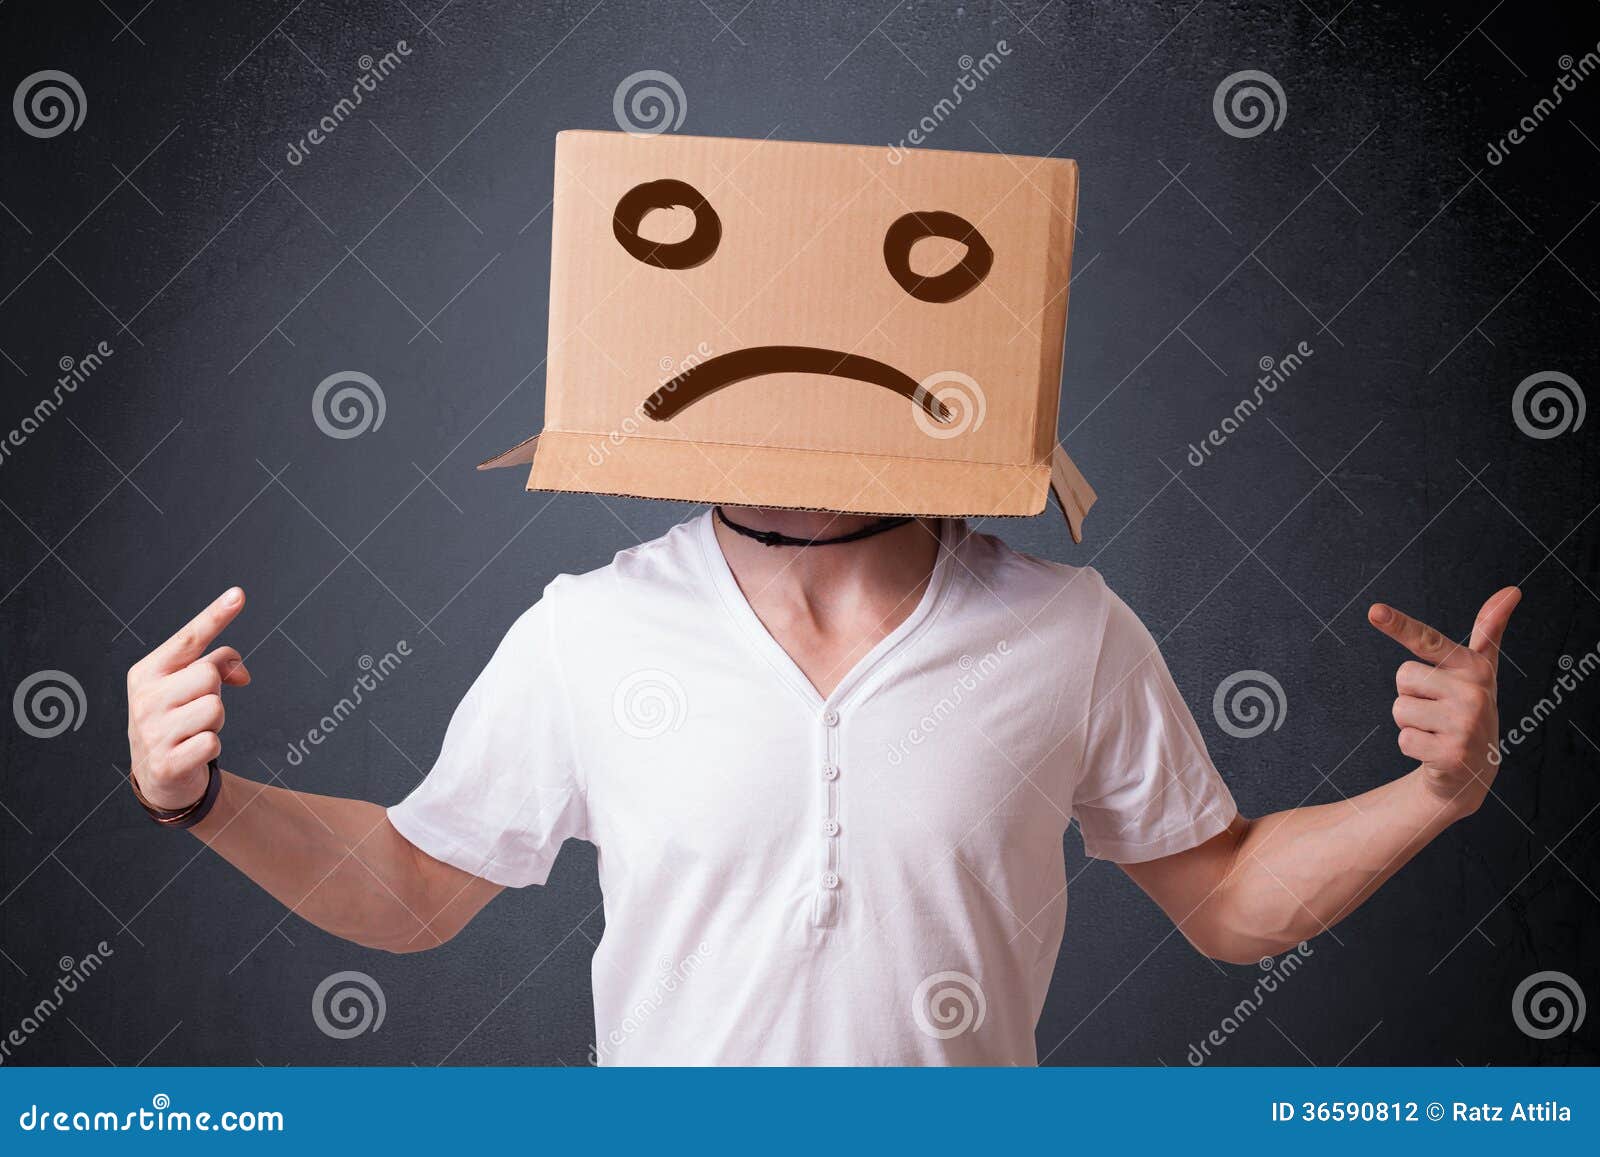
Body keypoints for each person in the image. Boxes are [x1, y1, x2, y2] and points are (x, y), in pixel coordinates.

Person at [123, 506, 1519, 1064]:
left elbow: (1222, 900)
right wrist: (207, 801)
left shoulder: (1067, 625)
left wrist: (1434, 797)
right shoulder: (591, 626)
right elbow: (421, 889)